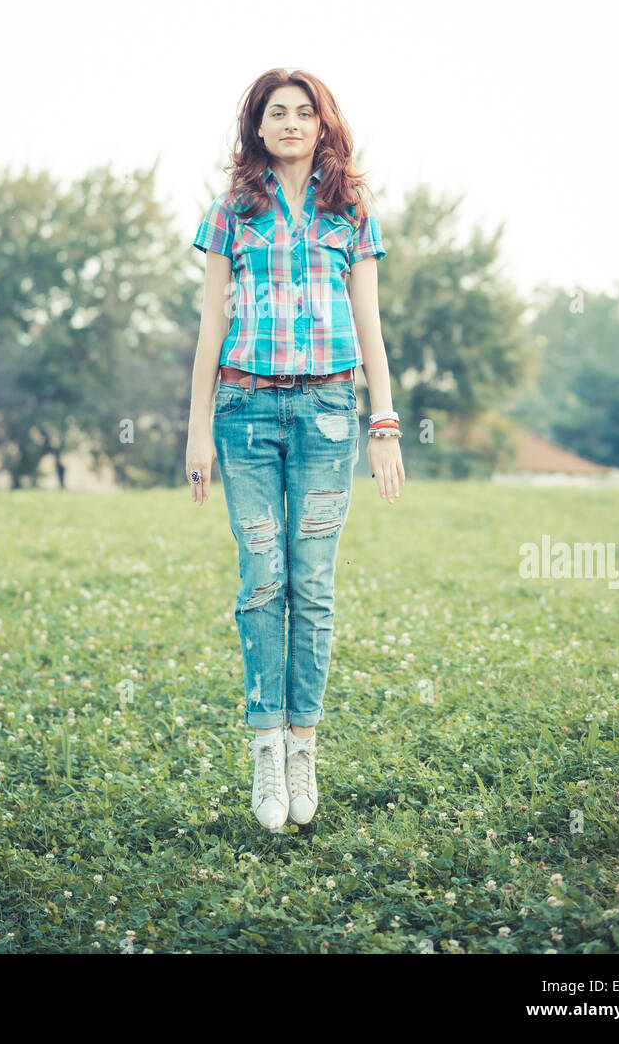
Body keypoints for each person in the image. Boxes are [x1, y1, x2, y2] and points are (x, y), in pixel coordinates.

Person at [187, 68, 404, 832]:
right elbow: (211, 329)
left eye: (302, 112)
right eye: (275, 112)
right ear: (256, 127)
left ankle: (303, 747)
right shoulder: (230, 213)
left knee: (311, 586)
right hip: (244, 414)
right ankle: (264, 752)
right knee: (260, 583)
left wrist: (383, 422)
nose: (289, 122)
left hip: (327, 412)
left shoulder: (350, 212)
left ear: (322, 125)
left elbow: (368, 322)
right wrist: (196, 433)